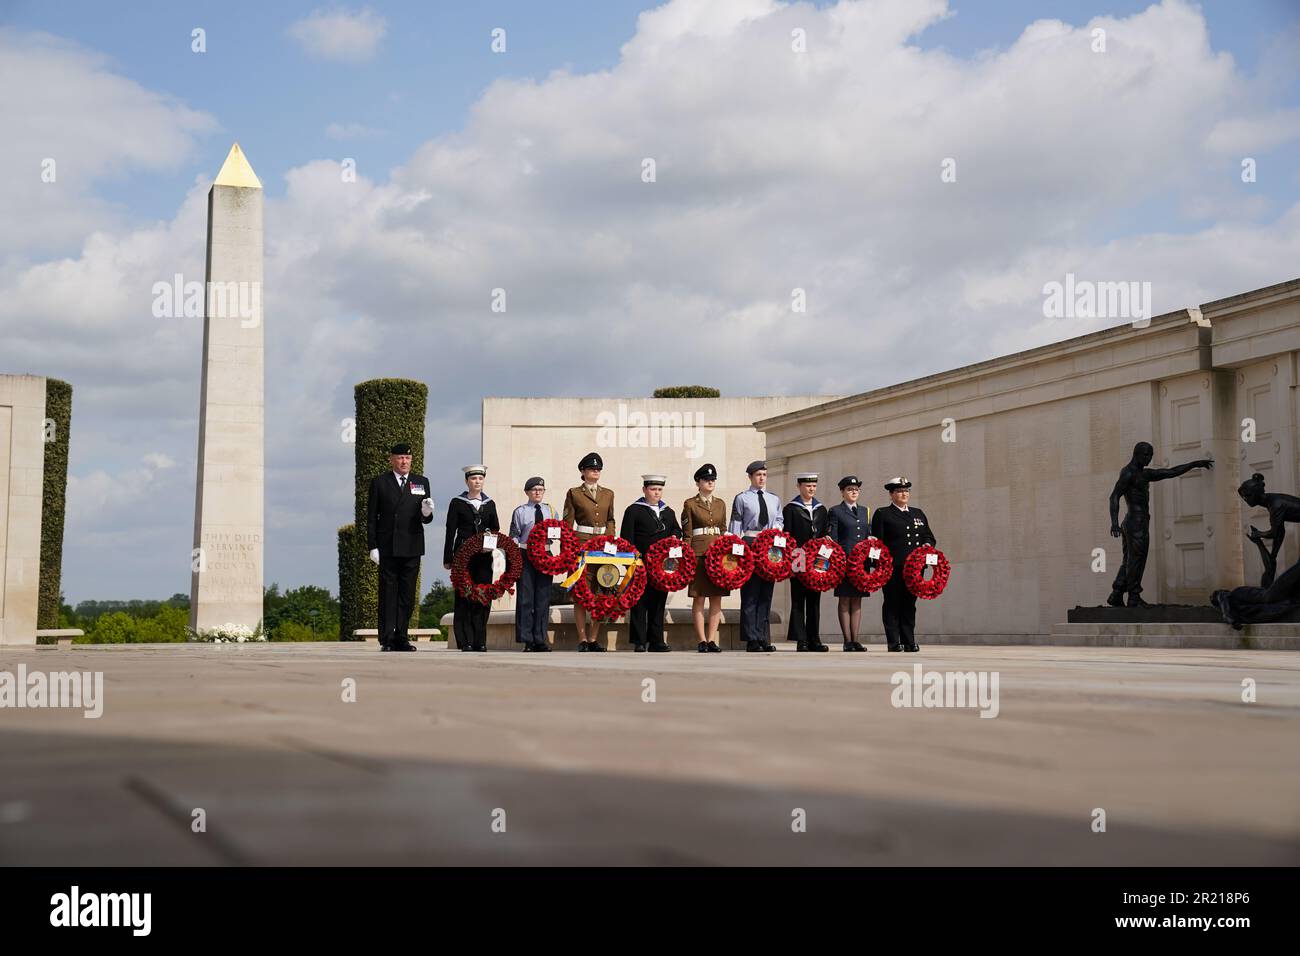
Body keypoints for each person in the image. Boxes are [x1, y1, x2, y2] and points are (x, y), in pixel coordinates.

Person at [1108, 442, 1213, 607]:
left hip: (1137, 522)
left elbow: (1169, 472)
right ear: (1137, 454)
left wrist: (1193, 464)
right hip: (1135, 522)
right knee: (1137, 560)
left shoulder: (1144, 474)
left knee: (1129, 559)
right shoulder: (1128, 473)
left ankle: (1117, 593)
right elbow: (1114, 496)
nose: (1150, 459)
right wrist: (1114, 523)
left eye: (1151, 455)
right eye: (1147, 455)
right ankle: (1134, 597)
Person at [366, 442, 434, 652]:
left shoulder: (421, 482)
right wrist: (373, 546)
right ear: (392, 459)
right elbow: (371, 518)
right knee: (388, 593)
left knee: (407, 594)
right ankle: (387, 638)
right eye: (400, 458)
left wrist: (426, 512)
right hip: (388, 546)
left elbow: (427, 519)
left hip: (412, 545)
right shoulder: (380, 482)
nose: (405, 461)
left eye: (408, 458)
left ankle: (402, 637)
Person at [869, 477, 935, 652]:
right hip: (893, 567)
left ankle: (909, 640)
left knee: (909, 604)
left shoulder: (917, 513)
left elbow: (928, 535)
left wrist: (928, 545)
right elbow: (877, 542)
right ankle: (893, 641)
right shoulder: (883, 514)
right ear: (891, 494)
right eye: (899, 491)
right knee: (892, 603)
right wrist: (877, 566)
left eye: (906, 491)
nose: (904, 494)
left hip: (914, 569)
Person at [620, 475, 682, 652]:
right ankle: (639, 641)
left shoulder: (668, 512)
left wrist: (675, 536)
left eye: (659, 489)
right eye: (653, 489)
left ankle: (656, 641)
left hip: (662, 566)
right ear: (644, 490)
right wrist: (632, 561)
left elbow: (676, 529)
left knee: (658, 602)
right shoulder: (634, 510)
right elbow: (627, 537)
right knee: (639, 602)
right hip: (641, 563)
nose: (657, 493)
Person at [562, 452, 616, 651]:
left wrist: (610, 541)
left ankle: (594, 638)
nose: (596, 471)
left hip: (603, 546)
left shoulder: (608, 493)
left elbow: (611, 519)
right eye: (592, 468)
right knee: (581, 594)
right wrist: (568, 549)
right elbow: (567, 522)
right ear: (583, 472)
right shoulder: (574, 493)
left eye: (598, 468)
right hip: (581, 544)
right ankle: (582, 639)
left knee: (602, 589)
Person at [443, 464, 500, 652]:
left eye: (480, 479)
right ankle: (465, 640)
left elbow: (495, 528)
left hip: (483, 557)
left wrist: (489, 545)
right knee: (464, 596)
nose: (477, 482)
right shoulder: (457, 502)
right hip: (463, 555)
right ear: (467, 481)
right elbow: (450, 530)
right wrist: (448, 556)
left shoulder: (489, 504)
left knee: (482, 597)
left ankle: (480, 640)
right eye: (473, 479)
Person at [730, 460, 783, 652]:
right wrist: (735, 549)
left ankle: (763, 636)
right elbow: (736, 525)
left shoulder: (773, 499)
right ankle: (751, 638)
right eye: (758, 475)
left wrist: (775, 533)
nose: (762, 478)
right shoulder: (742, 498)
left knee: (765, 593)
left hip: (769, 545)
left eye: (764, 475)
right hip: (750, 543)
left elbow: (779, 520)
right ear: (751, 477)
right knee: (751, 593)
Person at [681, 462, 728, 652]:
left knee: (717, 597)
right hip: (699, 554)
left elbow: (723, 529)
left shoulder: (720, 503)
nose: (710, 482)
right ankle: (701, 640)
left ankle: (711, 639)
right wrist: (687, 555)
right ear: (698, 482)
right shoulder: (690, 504)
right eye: (706, 479)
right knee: (699, 597)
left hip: (717, 554)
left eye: (712, 479)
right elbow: (688, 533)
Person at [783, 472, 830, 652]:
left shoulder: (821, 509)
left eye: (814, 486)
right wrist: (790, 562)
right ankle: (801, 639)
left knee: (814, 600)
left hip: (817, 561)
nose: (811, 489)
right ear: (799, 486)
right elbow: (787, 536)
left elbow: (825, 533)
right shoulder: (791, 509)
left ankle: (814, 638)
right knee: (798, 599)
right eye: (807, 486)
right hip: (798, 558)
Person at [509, 476, 558, 652]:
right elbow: (514, 534)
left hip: (545, 553)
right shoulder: (520, 511)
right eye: (534, 490)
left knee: (543, 598)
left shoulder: (551, 511)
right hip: (526, 552)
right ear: (527, 492)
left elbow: (557, 533)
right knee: (526, 597)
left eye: (541, 490)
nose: (538, 492)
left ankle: (540, 638)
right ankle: (527, 639)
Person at [827, 475, 870, 652]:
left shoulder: (864, 510)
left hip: (861, 563)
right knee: (845, 600)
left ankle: (856, 639)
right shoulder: (835, 511)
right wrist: (839, 559)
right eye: (850, 490)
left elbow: (868, 534)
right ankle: (847, 640)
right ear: (842, 492)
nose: (853, 492)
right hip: (844, 561)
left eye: (856, 490)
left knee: (857, 600)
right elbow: (834, 538)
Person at [1236, 472, 1300, 587]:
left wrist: (1258, 534)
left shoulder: (1276, 505)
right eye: (1244, 497)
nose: (1245, 499)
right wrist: (1273, 556)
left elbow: (1275, 533)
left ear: (1256, 494)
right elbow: (1280, 532)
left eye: (1247, 496)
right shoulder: (1271, 501)